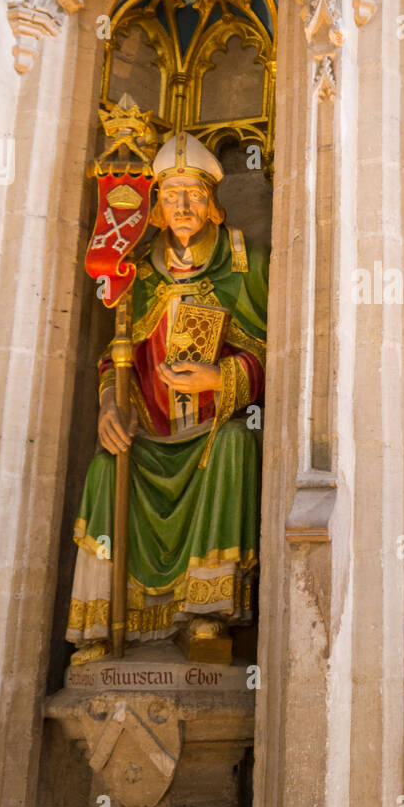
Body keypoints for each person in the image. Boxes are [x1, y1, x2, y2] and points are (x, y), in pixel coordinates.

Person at [68, 132, 267, 664]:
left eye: (195, 194)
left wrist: (221, 378)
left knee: (234, 444)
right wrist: (111, 407)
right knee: (106, 467)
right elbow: (116, 357)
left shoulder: (246, 264)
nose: (183, 206)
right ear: (155, 205)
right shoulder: (136, 273)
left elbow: (276, 356)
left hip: (210, 430)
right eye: (172, 194)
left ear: (214, 204)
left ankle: (206, 615)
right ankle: (107, 625)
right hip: (151, 433)